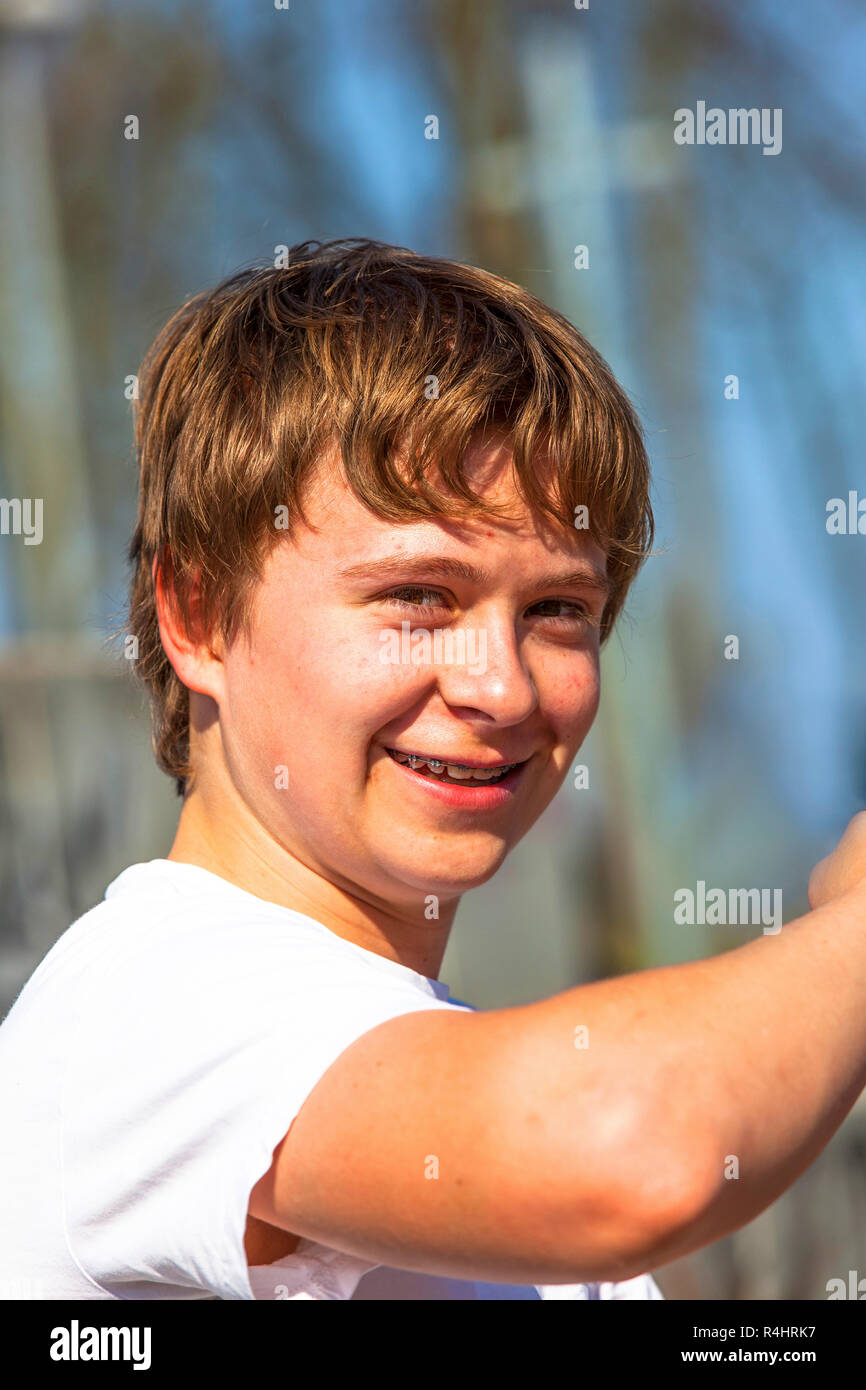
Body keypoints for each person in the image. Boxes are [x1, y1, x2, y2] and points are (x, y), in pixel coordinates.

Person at [1, 238, 864, 1301]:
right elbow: (631, 1154)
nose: (499, 688)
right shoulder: (153, 1003)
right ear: (197, 617)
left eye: (558, 611)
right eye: (418, 597)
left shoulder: (402, 1058)